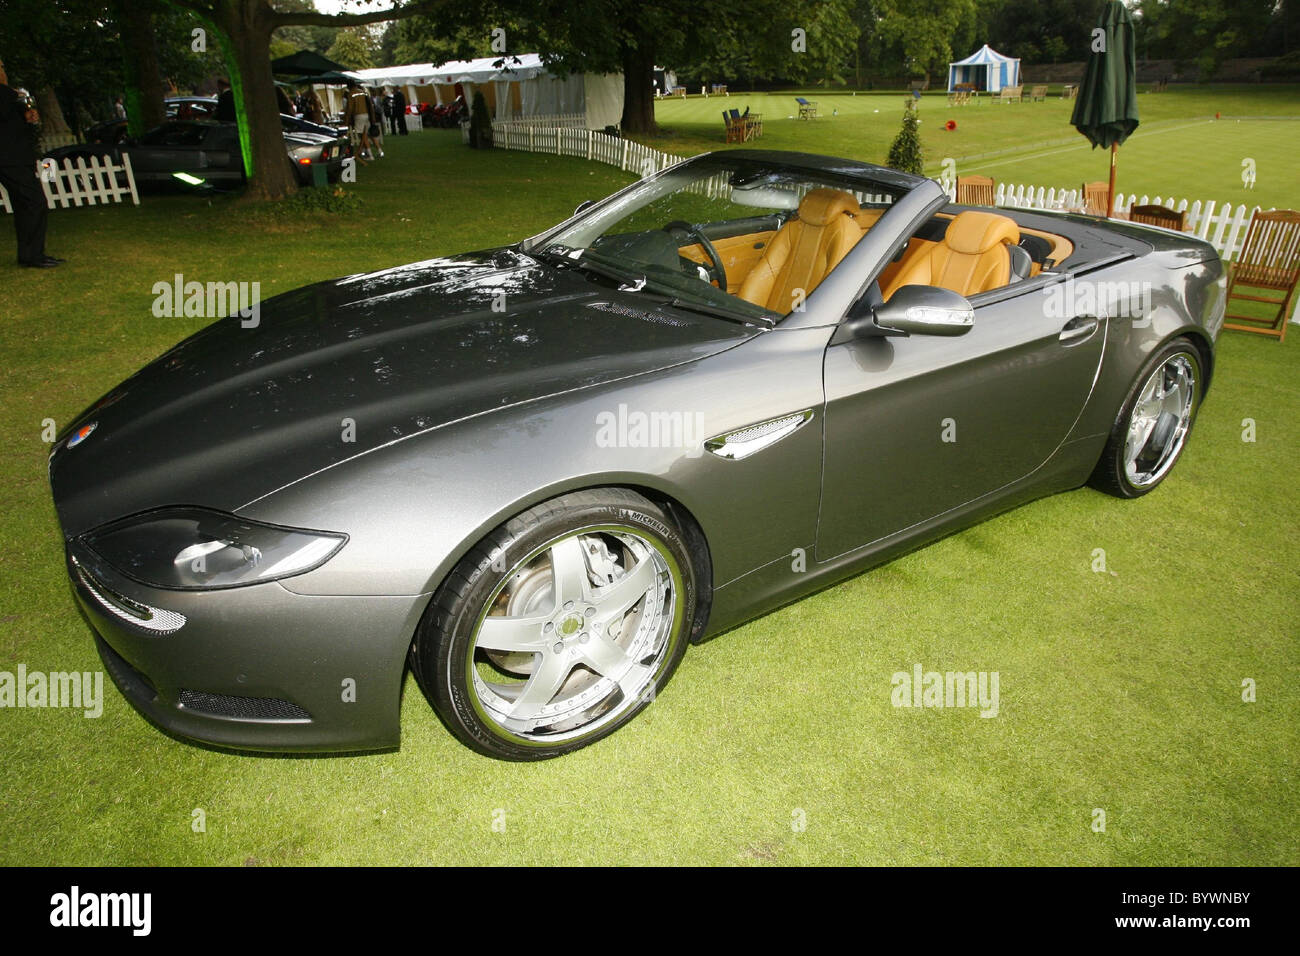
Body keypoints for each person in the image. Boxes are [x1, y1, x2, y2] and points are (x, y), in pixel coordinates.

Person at [0, 58, 61, 268]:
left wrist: (27, 116)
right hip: (9, 160)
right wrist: (12, 94)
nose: (3, 71)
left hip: (16, 157)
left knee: (24, 205)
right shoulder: (6, 94)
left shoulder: (9, 96)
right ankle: (33, 255)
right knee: (35, 202)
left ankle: (30, 254)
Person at [343, 81, 375, 162]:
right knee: (364, 135)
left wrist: (346, 119)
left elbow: (350, 108)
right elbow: (369, 104)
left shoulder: (351, 94)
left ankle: (368, 154)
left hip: (358, 115)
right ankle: (363, 152)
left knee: (362, 136)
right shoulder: (363, 92)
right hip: (367, 114)